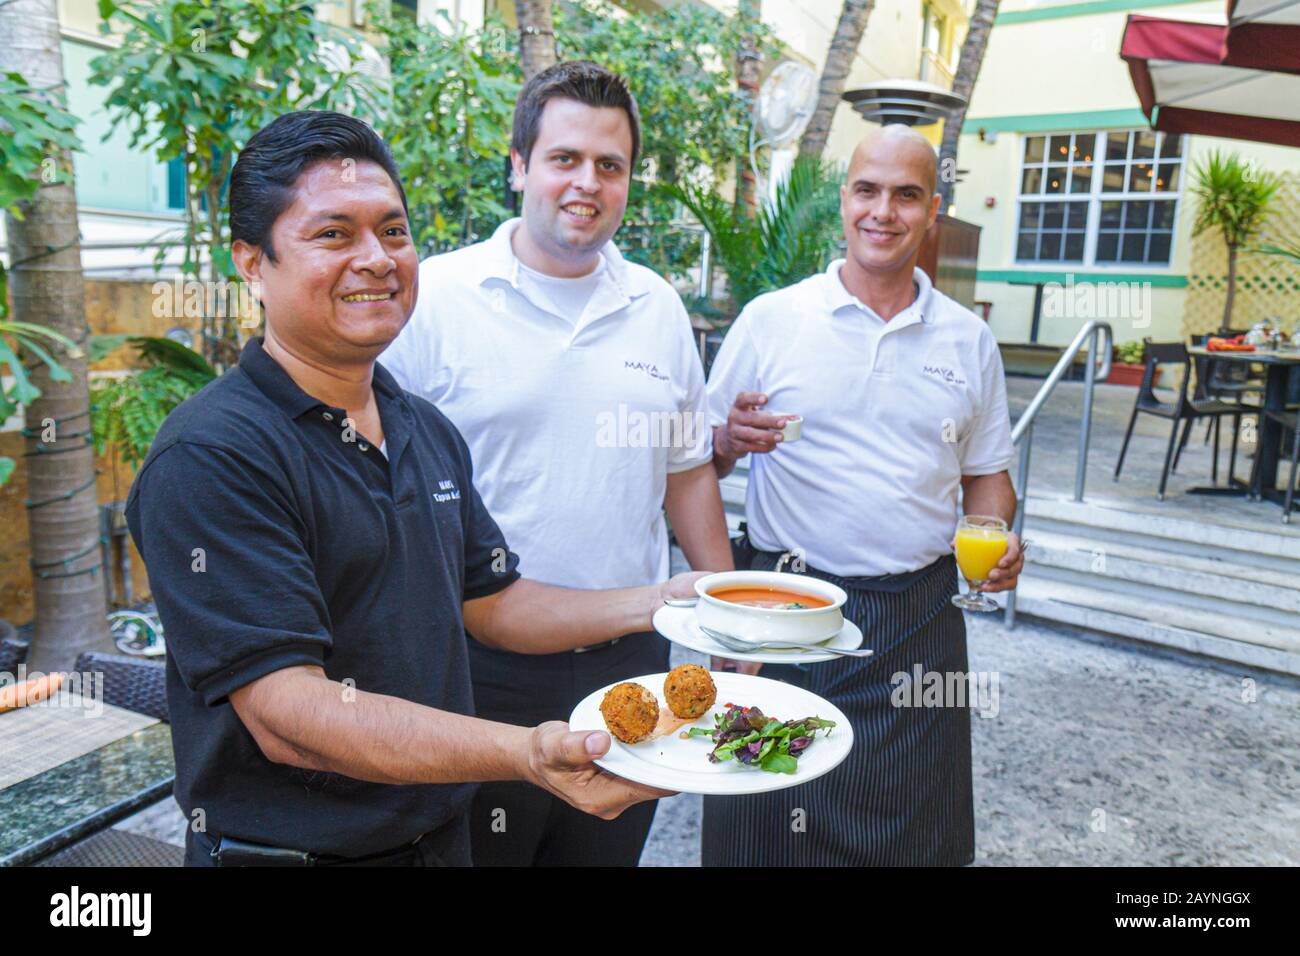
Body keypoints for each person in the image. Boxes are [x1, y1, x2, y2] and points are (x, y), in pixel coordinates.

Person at [126, 110, 701, 867]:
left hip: (437, 842)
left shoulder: (420, 426)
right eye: (333, 234)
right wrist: (529, 752)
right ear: (252, 263)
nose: (375, 259)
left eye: (393, 232)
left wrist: (669, 600)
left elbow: (493, 602)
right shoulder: (215, 454)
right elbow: (289, 713)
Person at [380, 61, 733, 867]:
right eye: (564, 159)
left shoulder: (658, 306)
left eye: (609, 166)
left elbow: (685, 472)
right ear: (519, 167)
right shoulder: (435, 296)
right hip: (474, 667)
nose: (587, 183)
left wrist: (727, 611)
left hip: (633, 659)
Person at [701, 125, 1025, 866]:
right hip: (778, 616)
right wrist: (727, 442)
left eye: (906, 195)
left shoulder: (967, 340)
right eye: (867, 190)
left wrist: (998, 537)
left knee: (912, 842)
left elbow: (987, 476)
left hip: (918, 620)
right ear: (844, 200)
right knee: (760, 839)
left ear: (932, 210)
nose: (884, 211)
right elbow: (698, 464)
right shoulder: (772, 320)